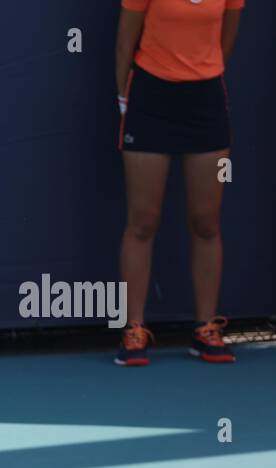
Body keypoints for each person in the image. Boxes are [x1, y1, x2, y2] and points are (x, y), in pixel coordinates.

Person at [114, 0, 244, 366]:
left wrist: (203, 71)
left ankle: (206, 329)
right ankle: (134, 328)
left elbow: (226, 38)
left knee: (206, 221)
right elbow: (125, 41)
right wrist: (125, 99)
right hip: (149, 99)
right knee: (142, 221)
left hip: (205, 103)